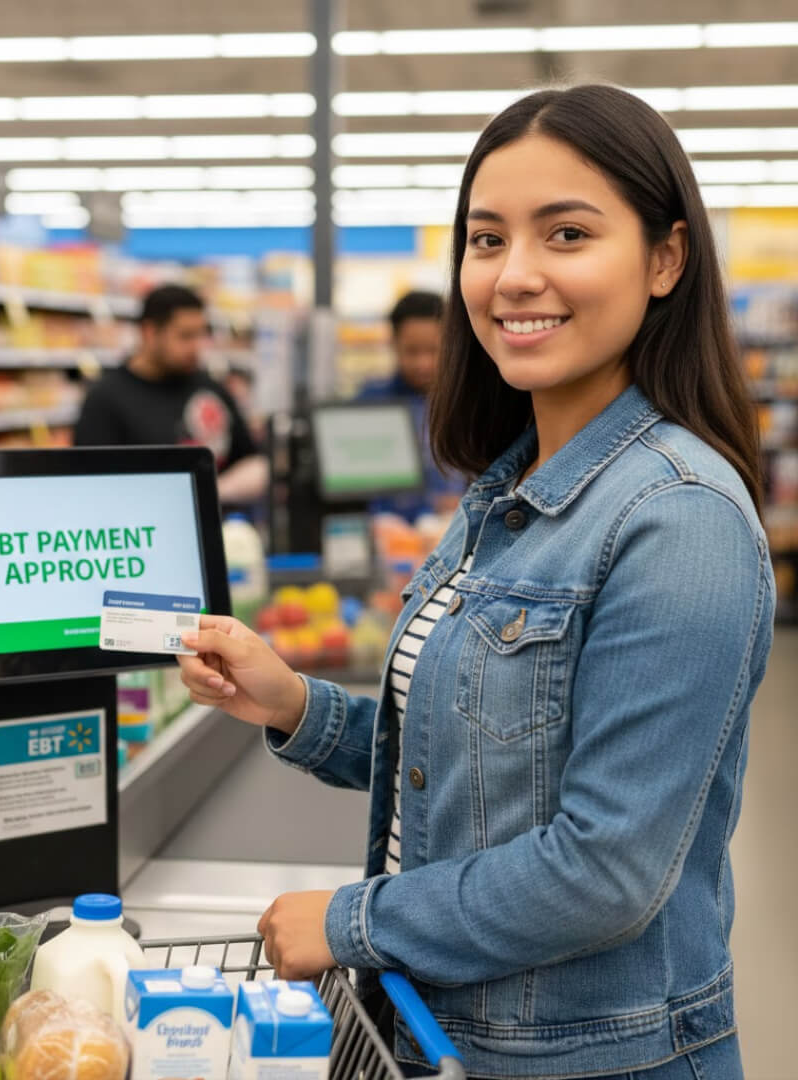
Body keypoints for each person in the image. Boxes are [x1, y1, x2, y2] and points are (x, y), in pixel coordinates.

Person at [177, 84, 774, 1079]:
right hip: (452, 1034)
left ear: (666, 258)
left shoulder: (680, 519)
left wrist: (351, 921)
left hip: (592, 1058)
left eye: (568, 234)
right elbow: (488, 774)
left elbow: (606, 869)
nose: (514, 277)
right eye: (487, 240)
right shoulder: (512, 486)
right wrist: (294, 708)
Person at [73, 284, 269, 504]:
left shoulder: (211, 388)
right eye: (185, 336)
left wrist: (209, 492)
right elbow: (90, 486)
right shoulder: (106, 399)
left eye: (201, 335)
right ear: (149, 332)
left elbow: (253, 462)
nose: (197, 347)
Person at [357, 290, 466, 516]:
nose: (422, 364)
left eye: (433, 350)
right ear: (393, 344)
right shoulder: (370, 403)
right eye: (412, 351)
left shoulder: (468, 402)